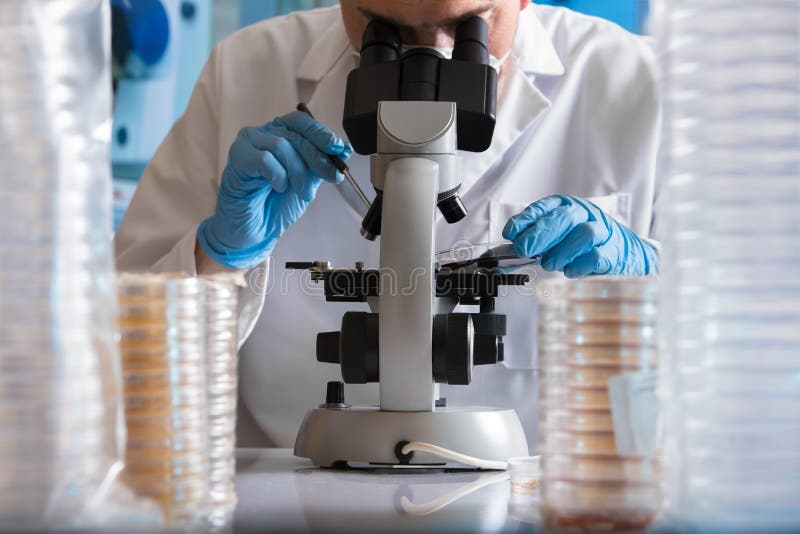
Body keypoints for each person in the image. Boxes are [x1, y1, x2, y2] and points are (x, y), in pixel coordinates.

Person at [115, 0, 661, 447]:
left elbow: (730, 350)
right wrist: (215, 258)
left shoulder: (635, 81)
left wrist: (654, 284)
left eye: (467, 25)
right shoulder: (246, 69)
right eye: (385, 29)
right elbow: (118, 362)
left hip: (551, 496)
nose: (433, 56)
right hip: (289, 491)